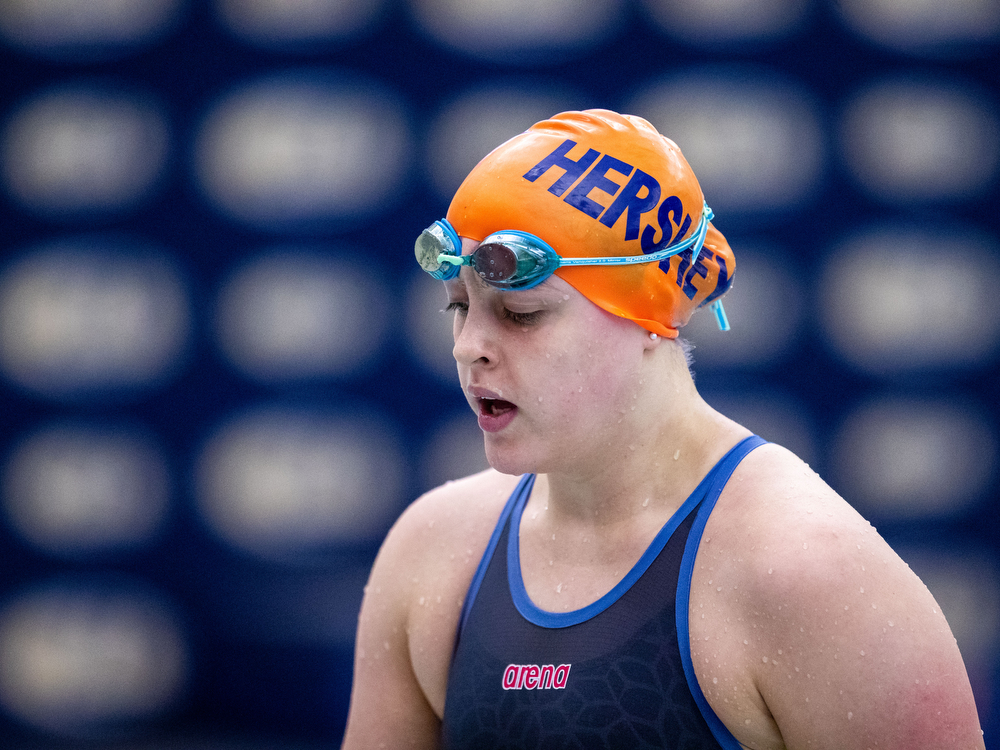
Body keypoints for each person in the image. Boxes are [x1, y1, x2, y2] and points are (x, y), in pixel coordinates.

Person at [341, 109, 985, 749]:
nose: (467, 347)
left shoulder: (811, 577)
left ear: (650, 316)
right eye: (459, 307)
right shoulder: (433, 554)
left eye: (522, 314)